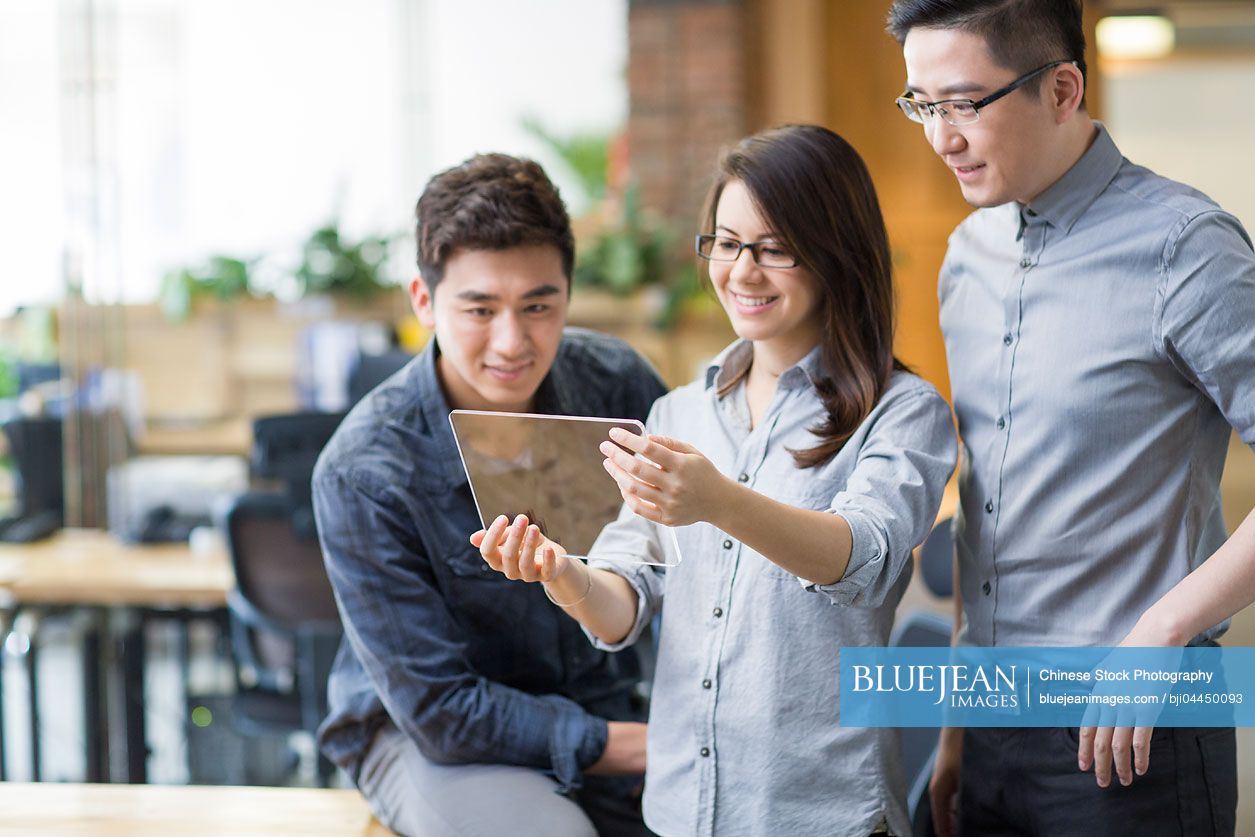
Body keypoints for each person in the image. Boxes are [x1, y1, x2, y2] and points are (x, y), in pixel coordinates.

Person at [475, 124, 957, 836]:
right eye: (726, 243)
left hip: (821, 813)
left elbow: (862, 557)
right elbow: (623, 600)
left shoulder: (902, 411)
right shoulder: (678, 411)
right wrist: (562, 574)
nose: (742, 271)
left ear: (834, 251)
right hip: (683, 809)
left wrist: (719, 501)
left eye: (775, 247)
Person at [886, 1, 1255, 834]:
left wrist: (1161, 630)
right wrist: (955, 718)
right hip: (989, 721)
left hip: (1136, 727)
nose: (940, 137)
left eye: (962, 103)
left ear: (1060, 88)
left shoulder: (1185, 246)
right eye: (921, 105)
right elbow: (986, 506)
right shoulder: (965, 257)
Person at [312, 153, 667, 837]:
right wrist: (652, 745)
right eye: (479, 309)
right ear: (423, 300)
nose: (513, 341)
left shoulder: (617, 385)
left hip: (608, 702)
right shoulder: (362, 469)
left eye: (539, 305)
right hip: (429, 733)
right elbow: (442, 711)